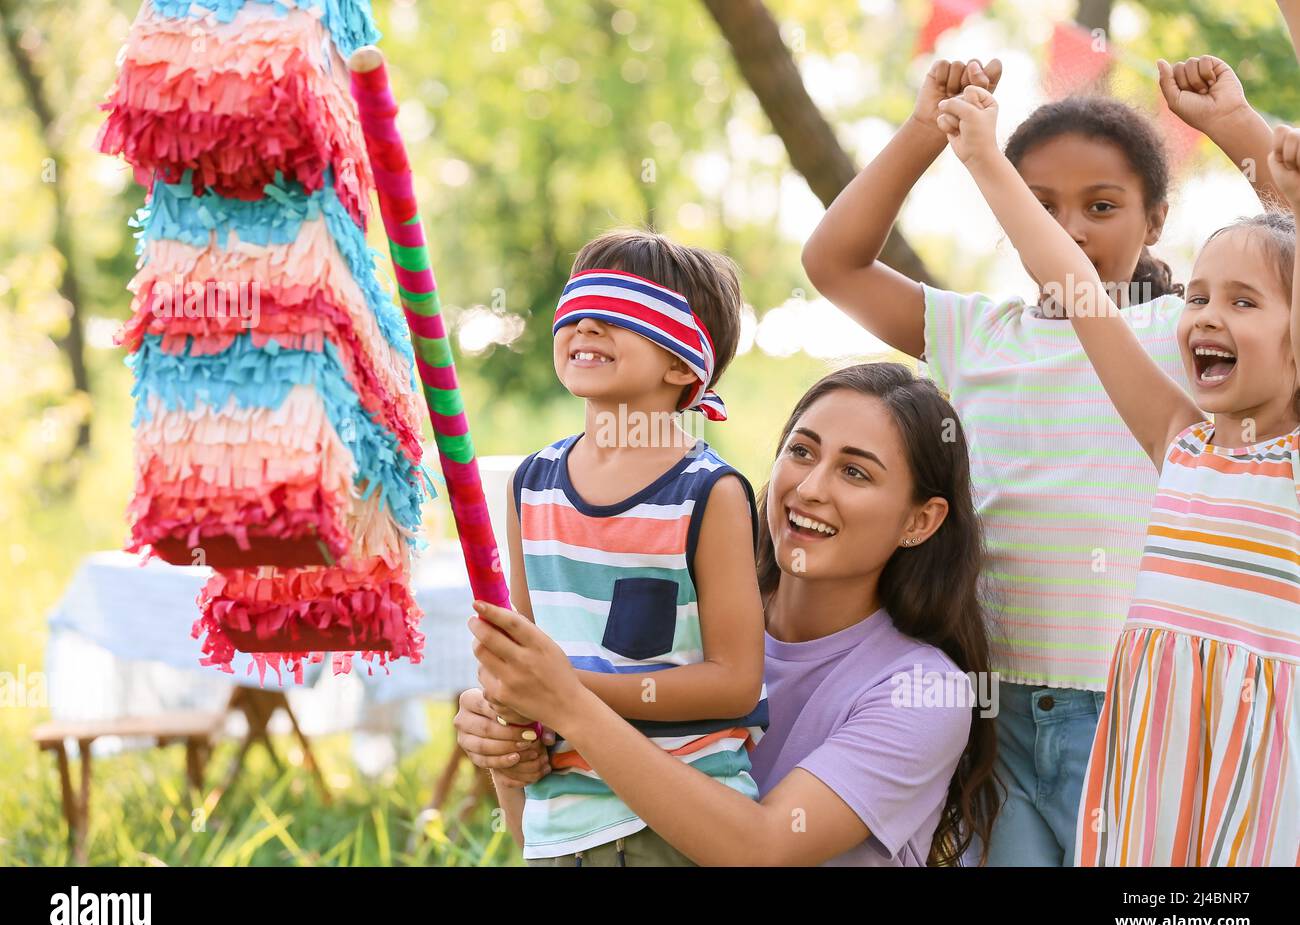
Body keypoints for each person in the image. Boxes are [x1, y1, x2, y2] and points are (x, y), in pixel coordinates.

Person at [799, 54, 1278, 865]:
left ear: (1156, 218)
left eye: (1101, 206)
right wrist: (928, 129)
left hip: (1138, 713)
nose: (1071, 231)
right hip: (1000, 714)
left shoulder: (1184, 332)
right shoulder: (973, 334)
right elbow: (833, 263)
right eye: (1041, 206)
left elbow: (1285, 256)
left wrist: (1234, 128)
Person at [938, 79, 1300, 865]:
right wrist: (983, 162)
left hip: (1260, 785)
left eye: (1244, 303)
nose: (1204, 316)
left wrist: (1244, 132)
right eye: (1199, 297)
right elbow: (1077, 289)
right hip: (1148, 776)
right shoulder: (1181, 445)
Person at [460, 363, 1000, 866]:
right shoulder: (687, 615)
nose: (809, 490)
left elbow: (760, 849)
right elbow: (543, 835)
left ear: (921, 520)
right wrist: (512, 752)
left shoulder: (923, 691)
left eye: (855, 473)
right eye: (803, 453)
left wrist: (569, 702)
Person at [493, 228, 767, 865]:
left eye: (618, 313)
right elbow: (523, 656)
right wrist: (509, 705)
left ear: (682, 362)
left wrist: (565, 693)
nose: (587, 325)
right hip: (559, 826)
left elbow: (736, 683)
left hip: (679, 824)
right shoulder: (530, 484)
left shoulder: (710, 493)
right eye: (577, 310)